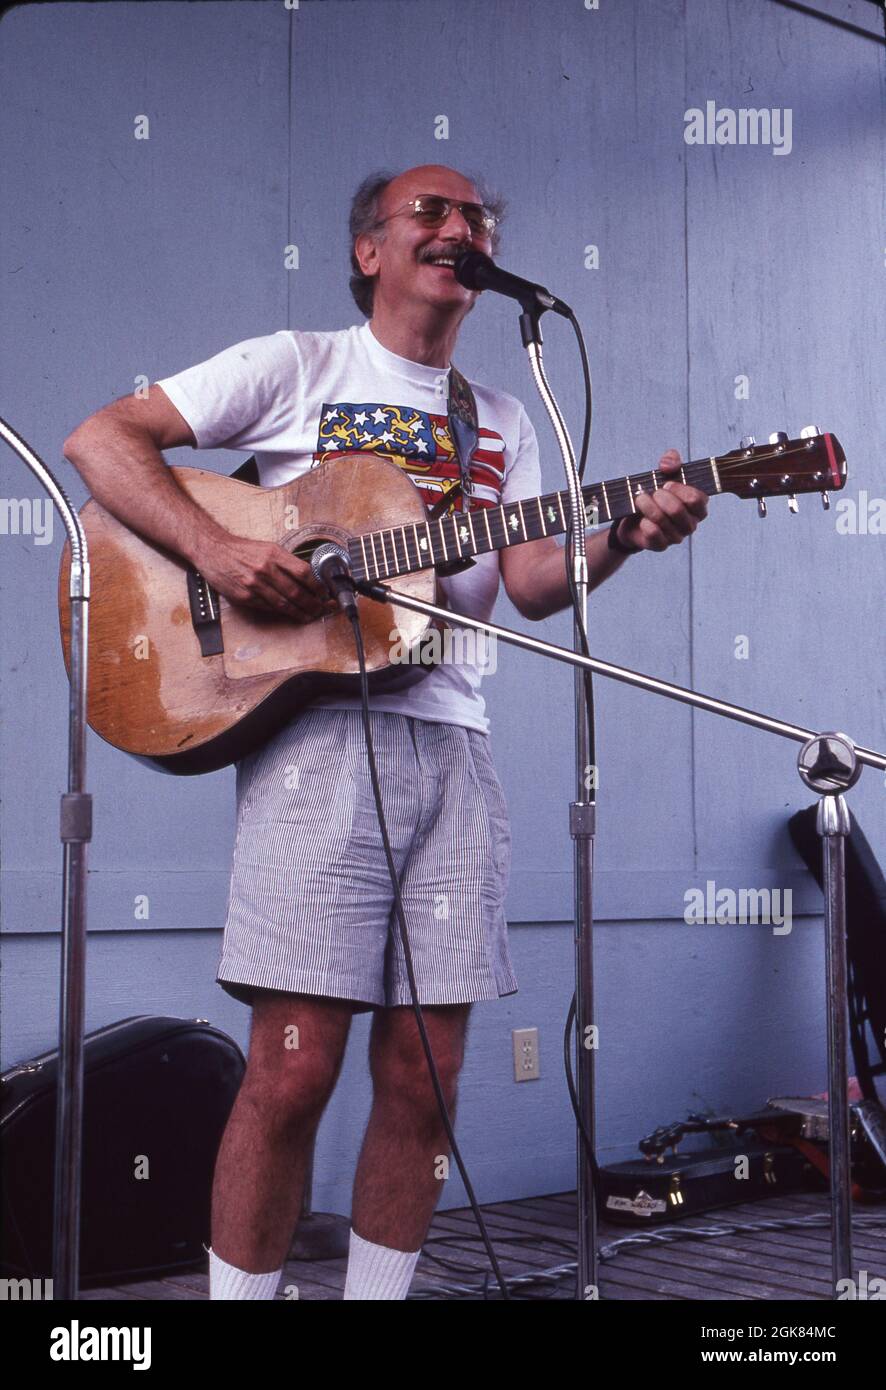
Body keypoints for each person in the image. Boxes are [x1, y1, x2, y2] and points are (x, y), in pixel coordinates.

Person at [62, 163, 709, 1300]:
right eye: (433, 212)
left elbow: (533, 582)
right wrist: (218, 553)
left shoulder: (496, 415)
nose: (461, 228)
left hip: (455, 742)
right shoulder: (296, 364)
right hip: (314, 746)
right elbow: (102, 442)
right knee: (293, 1068)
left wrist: (626, 534)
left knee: (426, 1072)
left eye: (477, 220)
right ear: (370, 249)